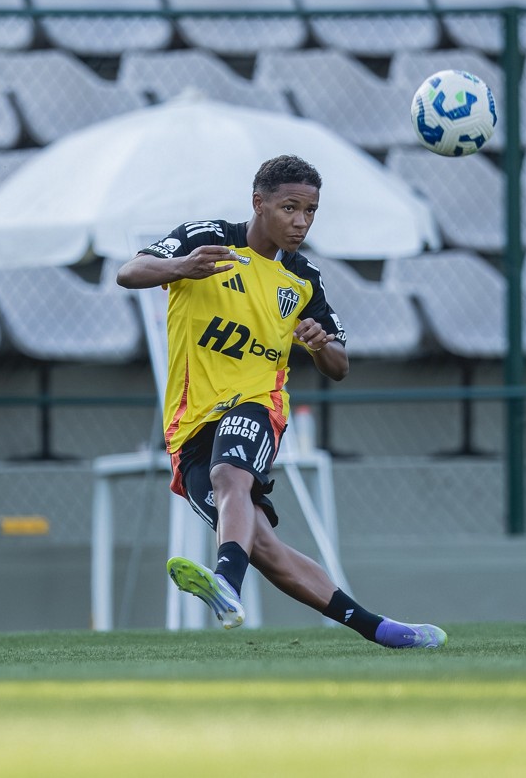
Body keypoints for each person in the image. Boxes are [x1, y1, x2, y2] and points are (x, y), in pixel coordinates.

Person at [116, 155, 446, 649]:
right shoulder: (206, 238)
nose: (301, 221)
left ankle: (226, 583)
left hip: (256, 403)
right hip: (188, 425)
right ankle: (379, 629)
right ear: (258, 203)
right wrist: (180, 266)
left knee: (232, 476)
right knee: (263, 545)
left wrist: (320, 344)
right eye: (290, 207)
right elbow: (129, 271)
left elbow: (339, 364)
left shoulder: (303, 278)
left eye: (310, 210)